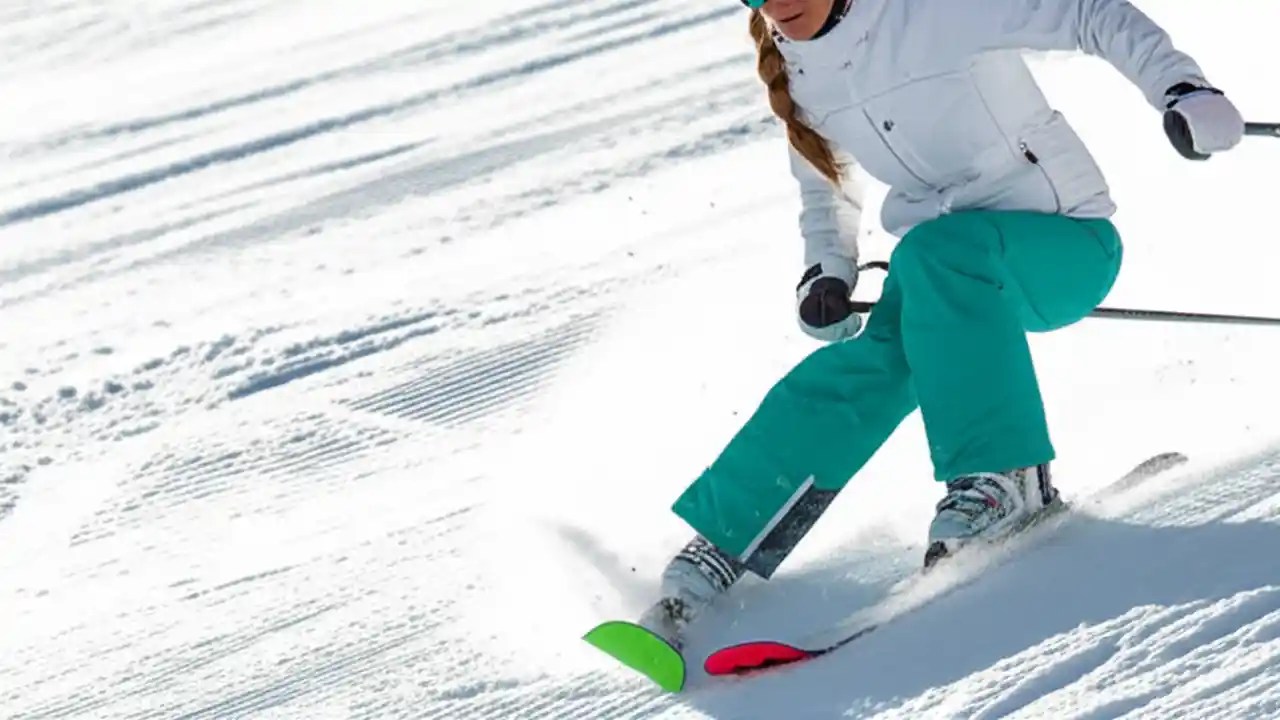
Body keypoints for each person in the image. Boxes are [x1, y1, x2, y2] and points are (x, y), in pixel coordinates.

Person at [637, 0, 1245, 645]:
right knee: (872, 363)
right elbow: (827, 183)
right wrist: (827, 270)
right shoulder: (801, 69)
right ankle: (725, 539)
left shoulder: (932, 10)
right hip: (946, 284)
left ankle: (1009, 479)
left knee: (933, 252)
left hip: (1063, 247)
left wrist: (1184, 89)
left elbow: (1089, 13)